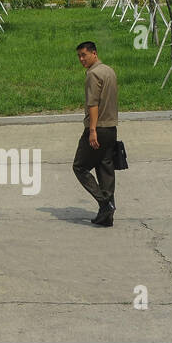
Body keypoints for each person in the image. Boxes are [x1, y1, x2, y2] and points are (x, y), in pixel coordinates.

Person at [73, 41, 119, 227]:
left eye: (84, 55)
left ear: (94, 53)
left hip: (97, 128)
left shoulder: (93, 74)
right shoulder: (109, 71)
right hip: (111, 128)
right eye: (79, 56)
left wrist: (92, 131)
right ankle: (106, 217)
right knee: (104, 167)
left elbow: (93, 105)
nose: (81, 59)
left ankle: (104, 203)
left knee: (80, 167)